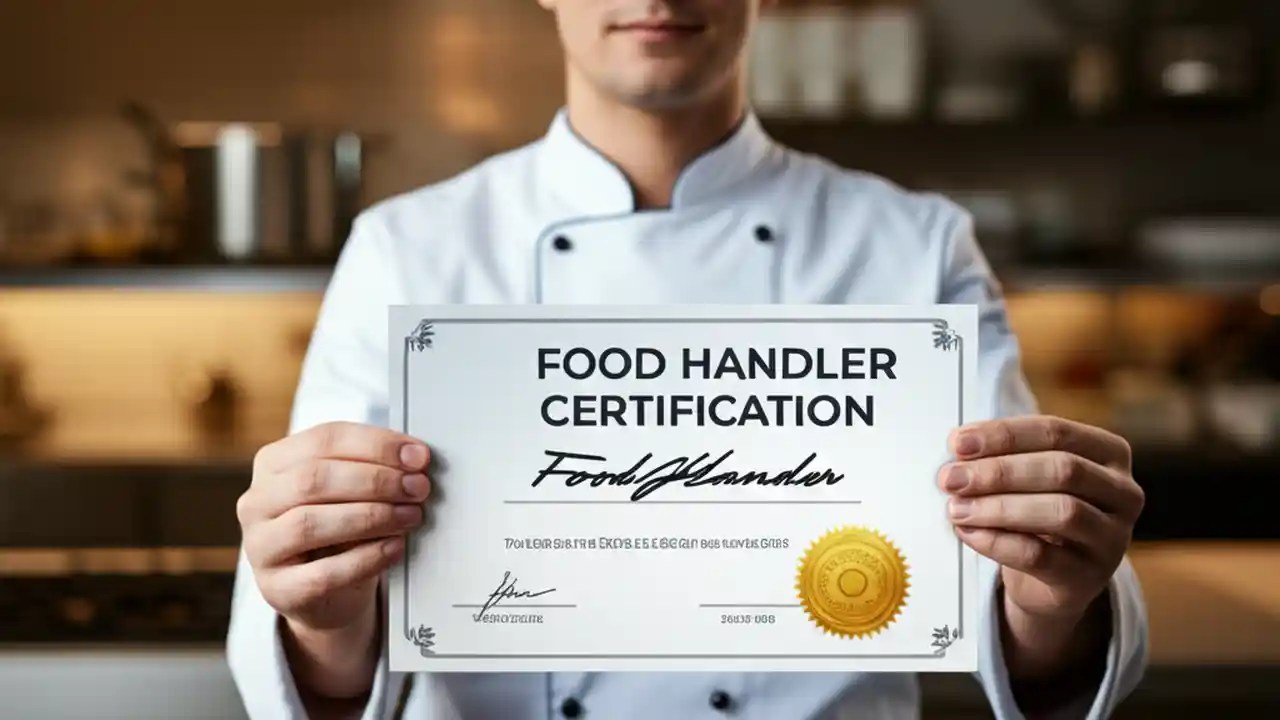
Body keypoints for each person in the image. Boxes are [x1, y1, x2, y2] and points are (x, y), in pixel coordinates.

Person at [228, 1, 1148, 717]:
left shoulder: (914, 245)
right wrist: (321, 609)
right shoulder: (406, 249)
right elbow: (325, 657)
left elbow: (1016, 613)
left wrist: (1051, 593)